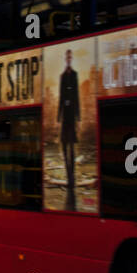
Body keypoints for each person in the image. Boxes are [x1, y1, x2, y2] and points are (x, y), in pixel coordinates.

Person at [57, 49, 79, 211]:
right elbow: (60, 96)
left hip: (71, 116)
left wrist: (78, 116)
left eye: (71, 57)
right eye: (68, 57)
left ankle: (72, 174)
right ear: (66, 58)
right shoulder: (63, 76)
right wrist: (58, 116)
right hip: (65, 116)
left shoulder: (75, 75)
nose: (69, 59)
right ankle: (68, 171)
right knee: (65, 144)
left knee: (72, 145)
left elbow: (76, 95)